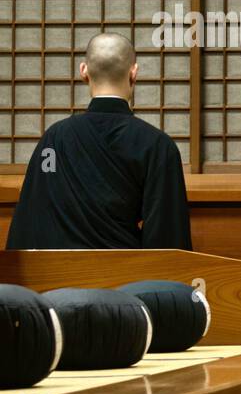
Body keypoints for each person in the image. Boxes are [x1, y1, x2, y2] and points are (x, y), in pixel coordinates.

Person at [6, 32, 191, 250]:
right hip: (129, 276)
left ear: (83, 71)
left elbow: (33, 210)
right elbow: (166, 234)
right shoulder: (158, 146)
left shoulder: (54, 141)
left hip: (61, 275)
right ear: (134, 72)